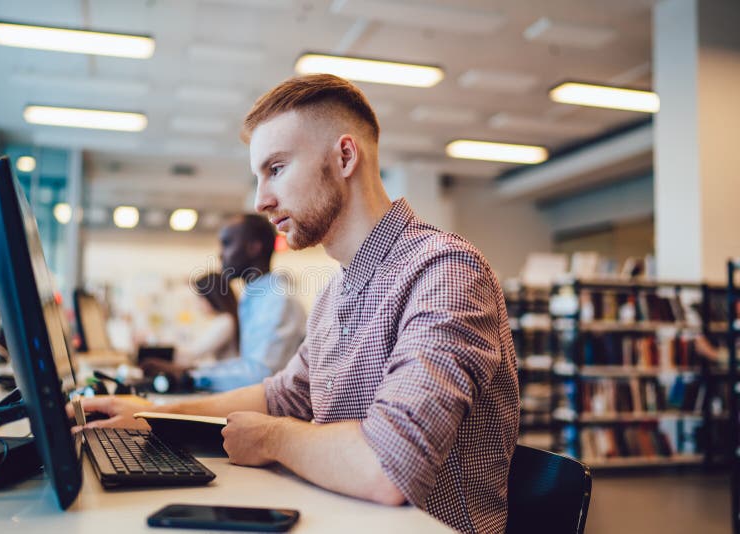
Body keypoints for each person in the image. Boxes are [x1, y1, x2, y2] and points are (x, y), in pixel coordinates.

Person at [73, 74, 519, 533]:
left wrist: (272, 437)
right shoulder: (336, 293)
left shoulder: (445, 271)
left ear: (345, 157)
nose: (261, 200)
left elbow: (389, 465)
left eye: (277, 168)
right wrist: (151, 416)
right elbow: (282, 395)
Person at [141, 216, 306, 392]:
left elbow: (260, 375)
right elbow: (247, 365)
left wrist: (191, 377)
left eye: (227, 244)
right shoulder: (255, 299)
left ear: (253, 248)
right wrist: (192, 371)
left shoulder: (277, 301)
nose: (220, 254)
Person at [176, 271, 240, 364]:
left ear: (211, 296)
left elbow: (192, 353)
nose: (198, 304)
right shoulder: (225, 319)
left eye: (200, 298)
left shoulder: (225, 321)